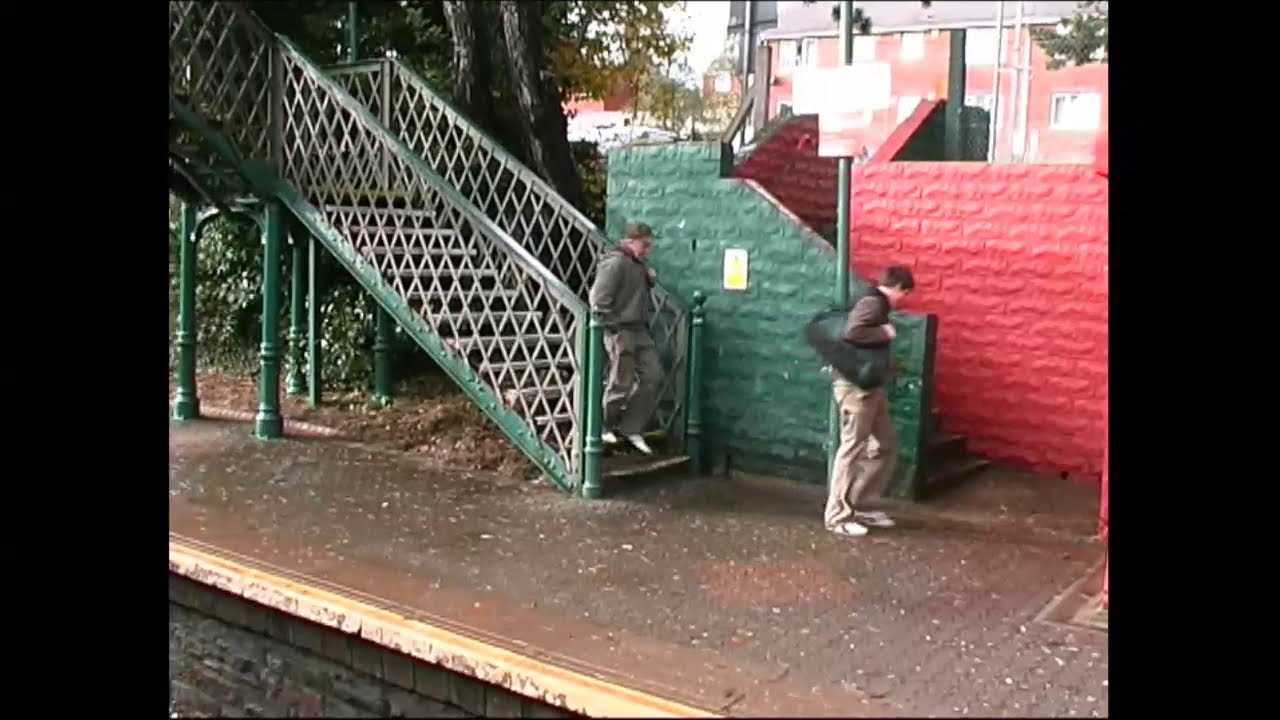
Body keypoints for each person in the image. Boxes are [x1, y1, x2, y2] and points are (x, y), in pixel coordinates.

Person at [825, 265, 916, 537]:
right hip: (855, 390)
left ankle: (858, 503)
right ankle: (837, 516)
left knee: (885, 444)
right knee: (851, 449)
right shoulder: (872, 303)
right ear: (899, 287)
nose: (903, 300)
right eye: (905, 294)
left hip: (870, 388)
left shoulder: (875, 304)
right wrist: (885, 334)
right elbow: (852, 332)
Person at [588, 222, 662, 454]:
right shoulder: (616, 262)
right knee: (621, 381)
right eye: (644, 245)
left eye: (650, 245)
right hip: (619, 328)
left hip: (639, 329)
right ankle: (602, 425)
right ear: (629, 242)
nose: (648, 250)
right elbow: (598, 300)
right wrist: (612, 328)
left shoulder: (638, 265)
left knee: (653, 375)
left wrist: (649, 280)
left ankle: (631, 426)